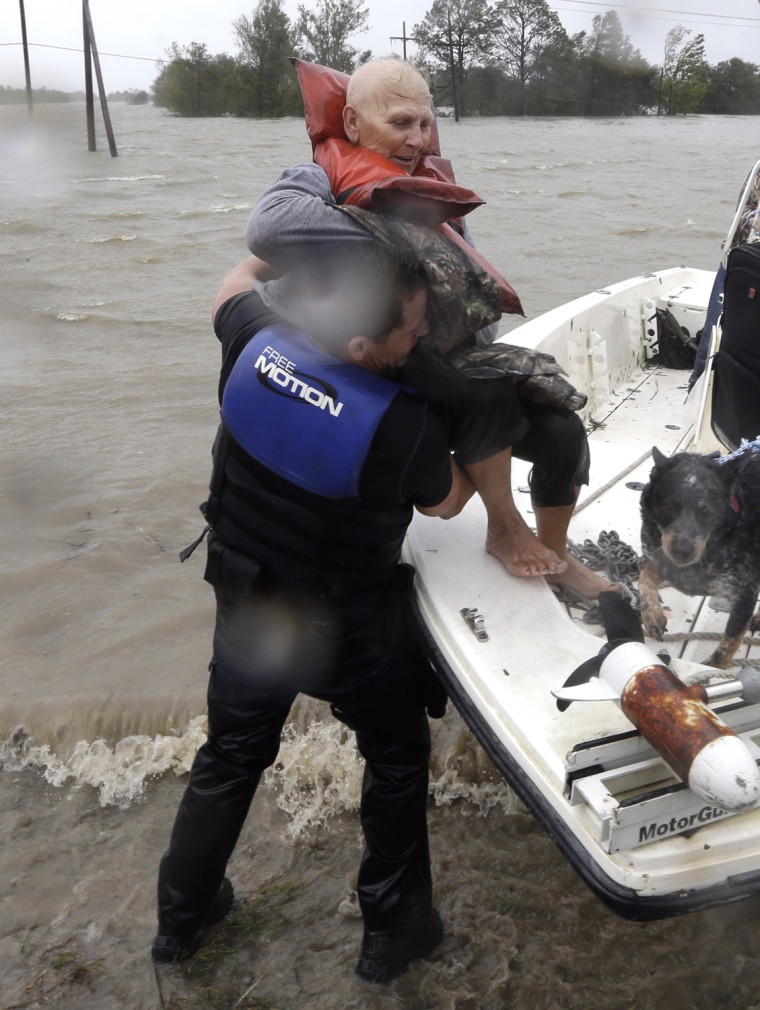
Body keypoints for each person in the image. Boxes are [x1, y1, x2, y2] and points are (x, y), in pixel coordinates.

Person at [151, 242, 477, 983]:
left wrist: (296, 254)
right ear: (361, 346)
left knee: (231, 754)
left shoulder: (256, 340)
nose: (422, 336)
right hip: (349, 630)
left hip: (248, 603)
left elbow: (234, 279)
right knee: (395, 757)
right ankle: (393, 933)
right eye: (411, 330)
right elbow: (449, 502)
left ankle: (181, 920)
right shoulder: (400, 427)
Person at [247, 58, 615, 604]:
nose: (416, 139)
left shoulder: (430, 186)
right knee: (485, 390)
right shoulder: (317, 176)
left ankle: (556, 553)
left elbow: (469, 301)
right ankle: (505, 528)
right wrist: (398, 242)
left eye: (424, 123)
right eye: (399, 123)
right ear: (352, 123)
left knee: (562, 431)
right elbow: (267, 226)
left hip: (437, 361)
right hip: (377, 366)